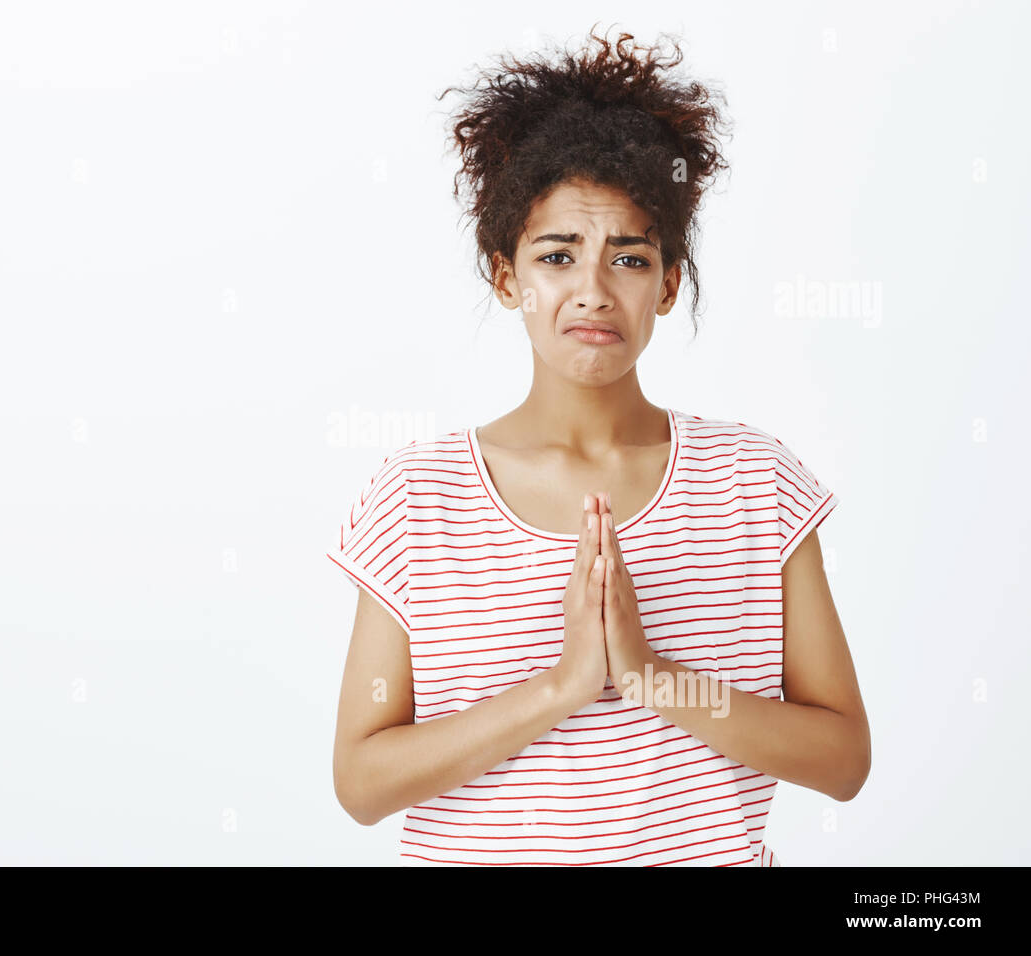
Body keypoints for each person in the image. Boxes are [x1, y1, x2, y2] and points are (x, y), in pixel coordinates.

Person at [326, 24, 870, 866]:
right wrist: (562, 687)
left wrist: (655, 680)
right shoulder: (416, 501)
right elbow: (362, 782)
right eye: (557, 255)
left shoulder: (757, 485)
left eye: (628, 256)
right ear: (508, 278)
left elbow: (842, 760)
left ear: (669, 282)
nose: (591, 291)